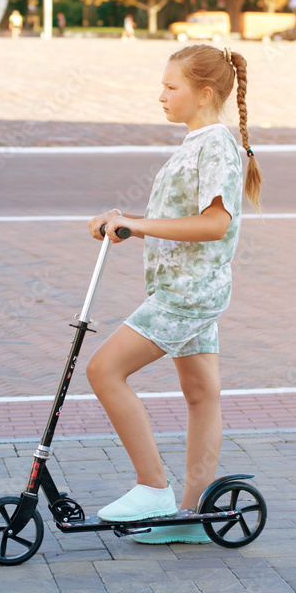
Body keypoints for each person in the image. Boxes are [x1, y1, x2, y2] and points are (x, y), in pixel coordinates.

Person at [86, 45, 262, 544]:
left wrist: (136, 225)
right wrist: (128, 224)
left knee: (104, 369)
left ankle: (152, 488)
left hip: (188, 294)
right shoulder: (196, 143)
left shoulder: (216, 146)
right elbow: (181, 216)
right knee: (202, 393)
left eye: (171, 87)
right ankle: (189, 518)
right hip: (188, 288)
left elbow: (214, 224)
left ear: (204, 93)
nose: (160, 95)